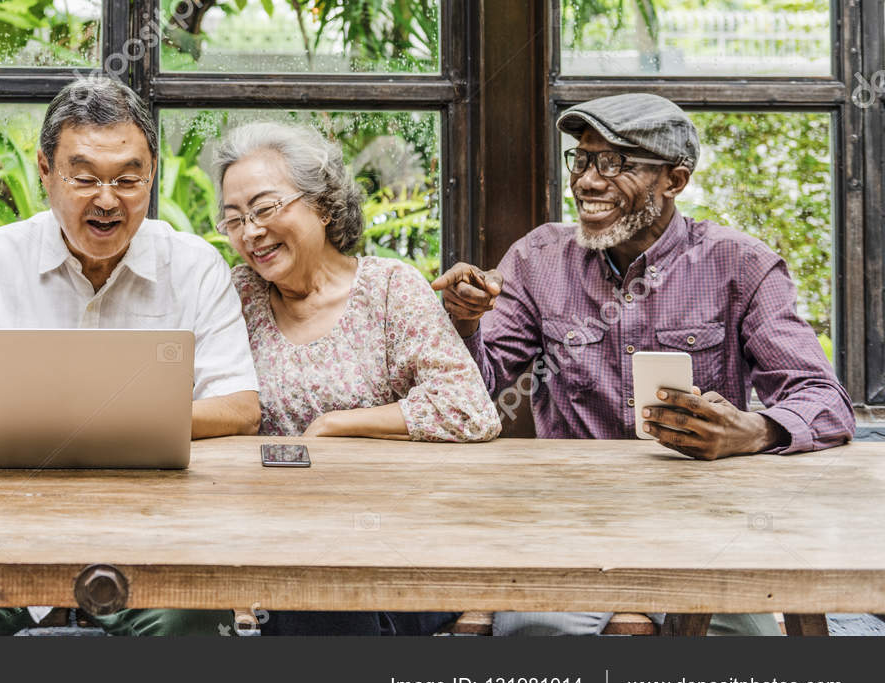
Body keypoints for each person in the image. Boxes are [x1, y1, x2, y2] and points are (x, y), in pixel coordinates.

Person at [433, 92, 854, 636]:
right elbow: (478, 384)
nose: (587, 180)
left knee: (747, 654)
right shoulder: (537, 259)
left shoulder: (742, 265)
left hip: (705, 528)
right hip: (570, 524)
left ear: (673, 182)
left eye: (615, 163)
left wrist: (753, 430)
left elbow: (825, 401)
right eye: (582, 159)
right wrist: (465, 324)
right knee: (538, 634)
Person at [0, 76, 260, 636]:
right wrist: (127, 421)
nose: (107, 200)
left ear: (151, 174)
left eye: (128, 179)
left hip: (156, 532)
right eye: (84, 178)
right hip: (2, 530)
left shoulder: (195, 266)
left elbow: (240, 408)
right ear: (44, 172)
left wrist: (78, 421)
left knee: (186, 623)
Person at [213, 121, 498, 636]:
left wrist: (338, 425)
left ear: (321, 204)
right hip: (270, 541)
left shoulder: (390, 289)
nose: (249, 232)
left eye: (264, 209)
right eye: (234, 219)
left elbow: (469, 410)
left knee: (320, 596)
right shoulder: (238, 295)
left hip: (393, 540)